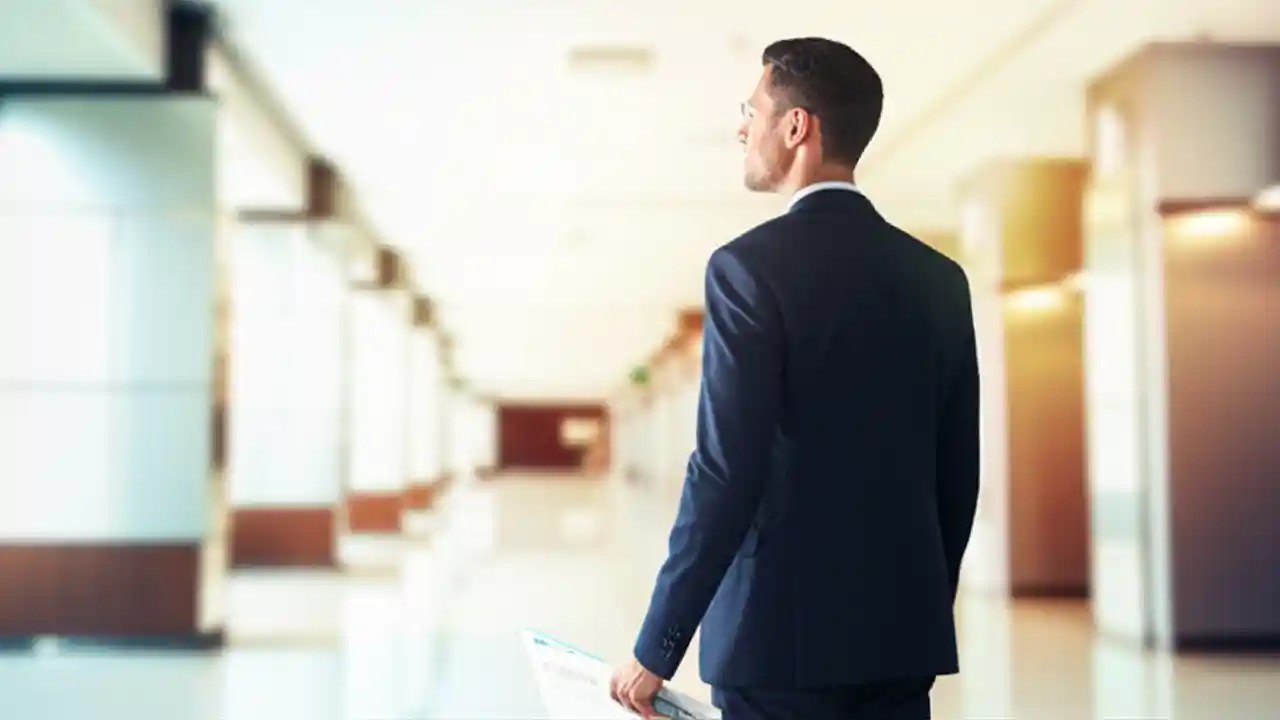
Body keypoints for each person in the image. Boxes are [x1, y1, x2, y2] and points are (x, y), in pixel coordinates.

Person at [609, 37, 980, 719]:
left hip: (776, 645)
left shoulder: (747, 270)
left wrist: (658, 644)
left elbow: (725, 471)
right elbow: (958, 474)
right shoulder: (940, 281)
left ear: (797, 125)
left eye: (751, 110)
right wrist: (913, 605)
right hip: (900, 645)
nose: (741, 127)